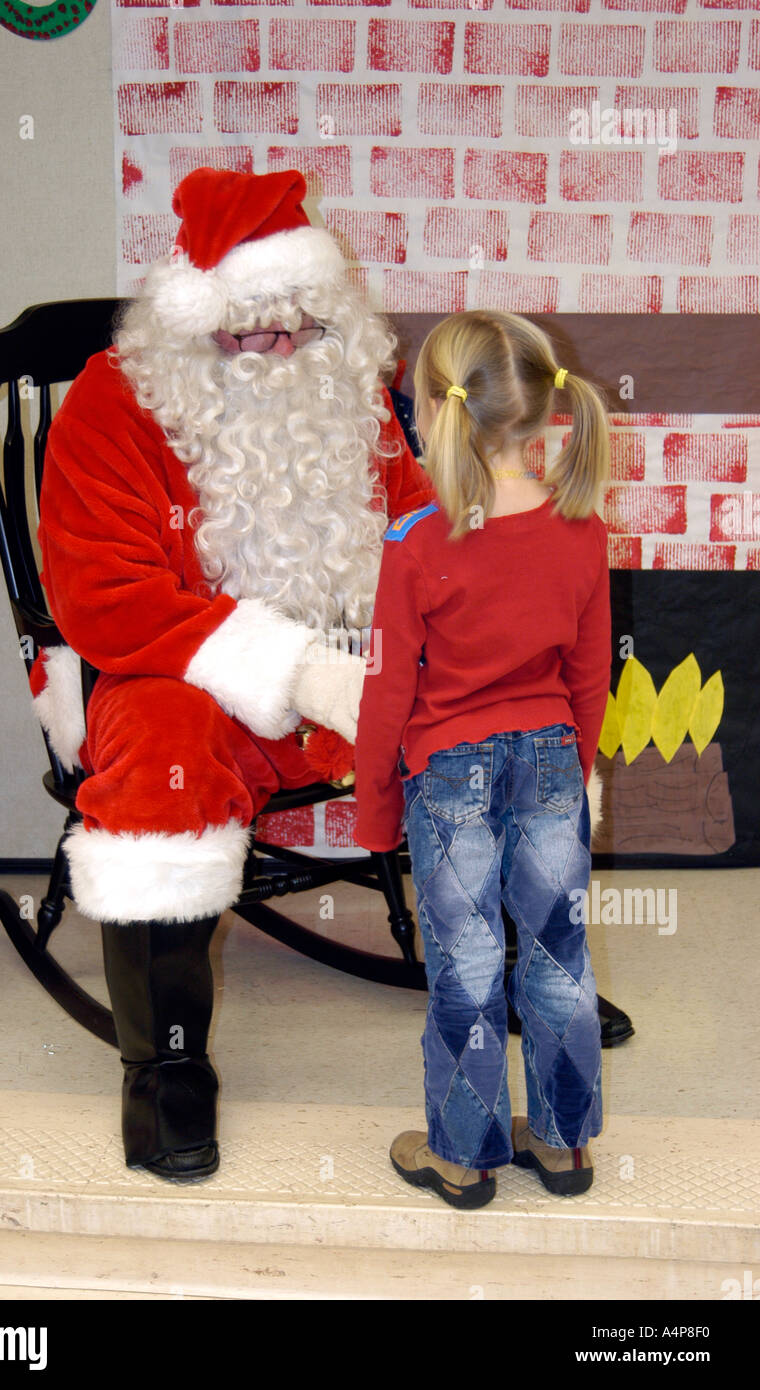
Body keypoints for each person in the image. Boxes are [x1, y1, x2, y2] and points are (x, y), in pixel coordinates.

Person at [31, 167, 434, 1183]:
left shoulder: (344, 391)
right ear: (197, 324)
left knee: (497, 707)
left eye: (302, 325)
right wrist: (296, 672)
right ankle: (165, 1069)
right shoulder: (111, 406)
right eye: (254, 329)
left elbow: (426, 540)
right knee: (160, 741)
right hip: (180, 682)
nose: (281, 351)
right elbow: (103, 599)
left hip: (351, 684)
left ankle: (532, 972)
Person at [354, 309, 612, 1209]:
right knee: (557, 958)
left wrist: (377, 809)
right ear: (544, 413)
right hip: (550, 761)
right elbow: (589, 680)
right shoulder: (581, 530)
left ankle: (462, 1158)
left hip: (450, 772)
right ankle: (564, 1144)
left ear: (434, 411)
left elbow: (386, 695)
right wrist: (574, 781)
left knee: (464, 967)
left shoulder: (415, 542)